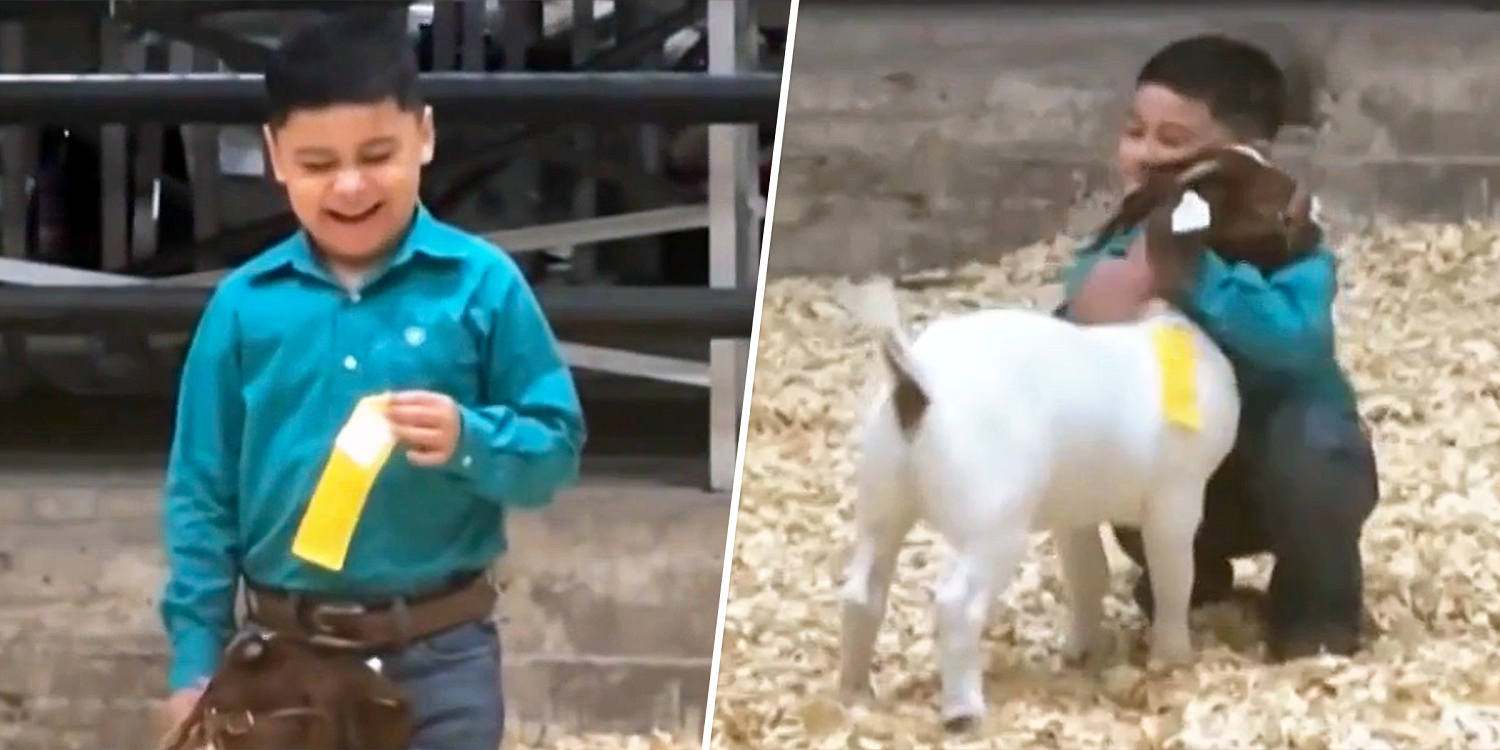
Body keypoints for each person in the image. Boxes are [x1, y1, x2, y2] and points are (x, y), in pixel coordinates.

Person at [157, 10, 586, 749]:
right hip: (281, 658)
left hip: (442, 654)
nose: (350, 186)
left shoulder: (482, 287)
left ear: (424, 134)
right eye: (319, 164)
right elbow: (202, 496)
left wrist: (470, 439)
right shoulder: (243, 308)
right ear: (276, 157)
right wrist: (196, 660)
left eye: (378, 154)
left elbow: (555, 452)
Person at [1056, 34, 1379, 661]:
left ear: (1238, 155)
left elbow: (1296, 342)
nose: (1145, 153)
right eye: (1134, 131)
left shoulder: (1289, 240)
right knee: (1112, 437)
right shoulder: (1128, 232)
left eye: (1173, 142)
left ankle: (1316, 610)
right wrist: (1125, 278)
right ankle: (1187, 582)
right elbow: (1080, 324)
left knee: (1315, 445)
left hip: (1275, 469)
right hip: (1182, 473)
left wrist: (1195, 275)